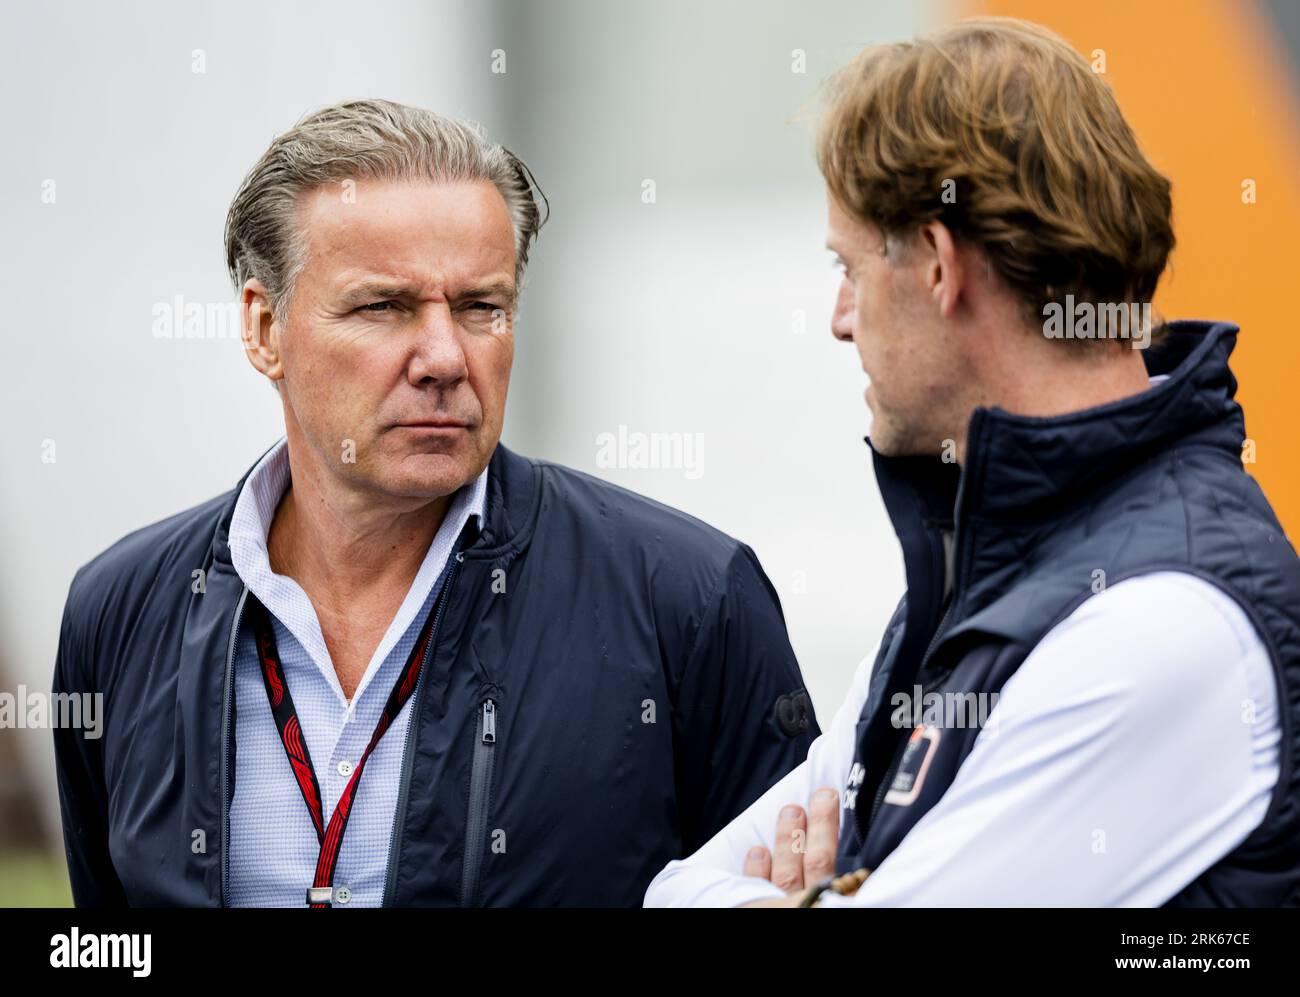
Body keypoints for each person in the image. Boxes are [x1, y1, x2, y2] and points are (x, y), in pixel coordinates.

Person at [52, 99, 818, 907]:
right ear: (264, 326)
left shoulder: (689, 601)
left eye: (481, 307)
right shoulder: (122, 612)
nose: (446, 357)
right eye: (383, 307)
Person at [645, 17, 1300, 907]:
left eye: (850, 266)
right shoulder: (981, 571)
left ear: (939, 268)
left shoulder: (1165, 623)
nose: (840, 317)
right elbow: (670, 892)